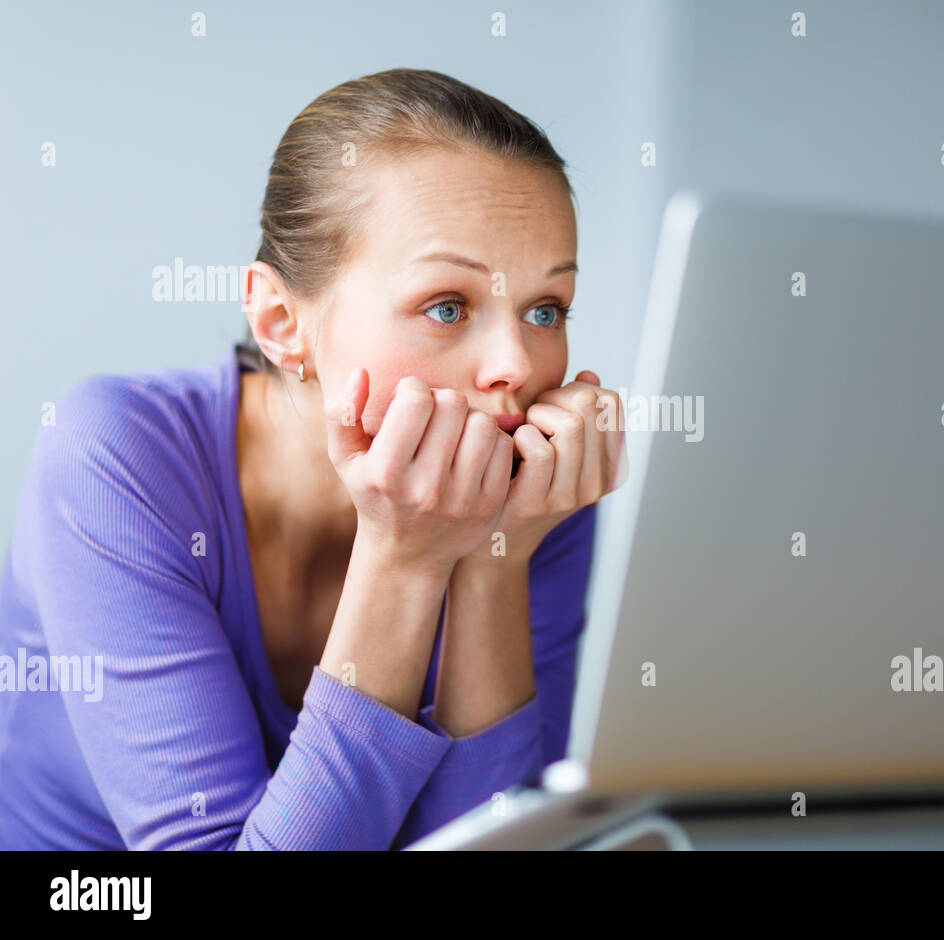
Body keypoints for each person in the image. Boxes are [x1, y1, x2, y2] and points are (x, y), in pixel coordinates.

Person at [0, 68, 626, 849]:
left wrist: (493, 564)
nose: (516, 365)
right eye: (447, 306)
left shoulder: (535, 498)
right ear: (280, 320)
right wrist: (405, 561)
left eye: (545, 309)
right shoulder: (113, 459)